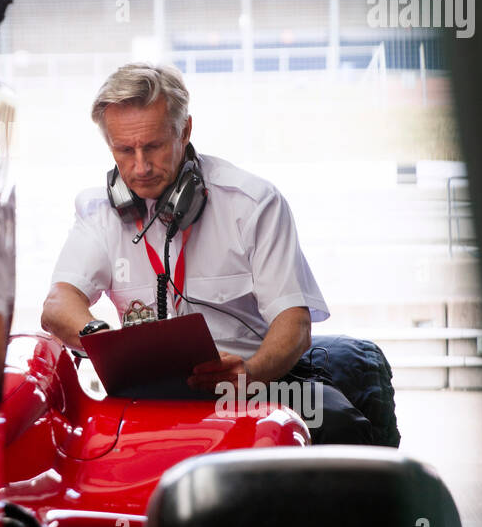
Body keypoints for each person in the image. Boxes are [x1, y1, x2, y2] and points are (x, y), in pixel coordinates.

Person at [40, 62, 389, 445]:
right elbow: (57, 305)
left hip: (251, 389)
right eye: (124, 150)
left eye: (153, 146)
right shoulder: (99, 212)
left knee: (335, 421)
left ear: (184, 130)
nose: (139, 167)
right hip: (151, 401)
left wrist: (250, 373)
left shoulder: (253, 203)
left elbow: (295, 324)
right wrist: (101, 337)